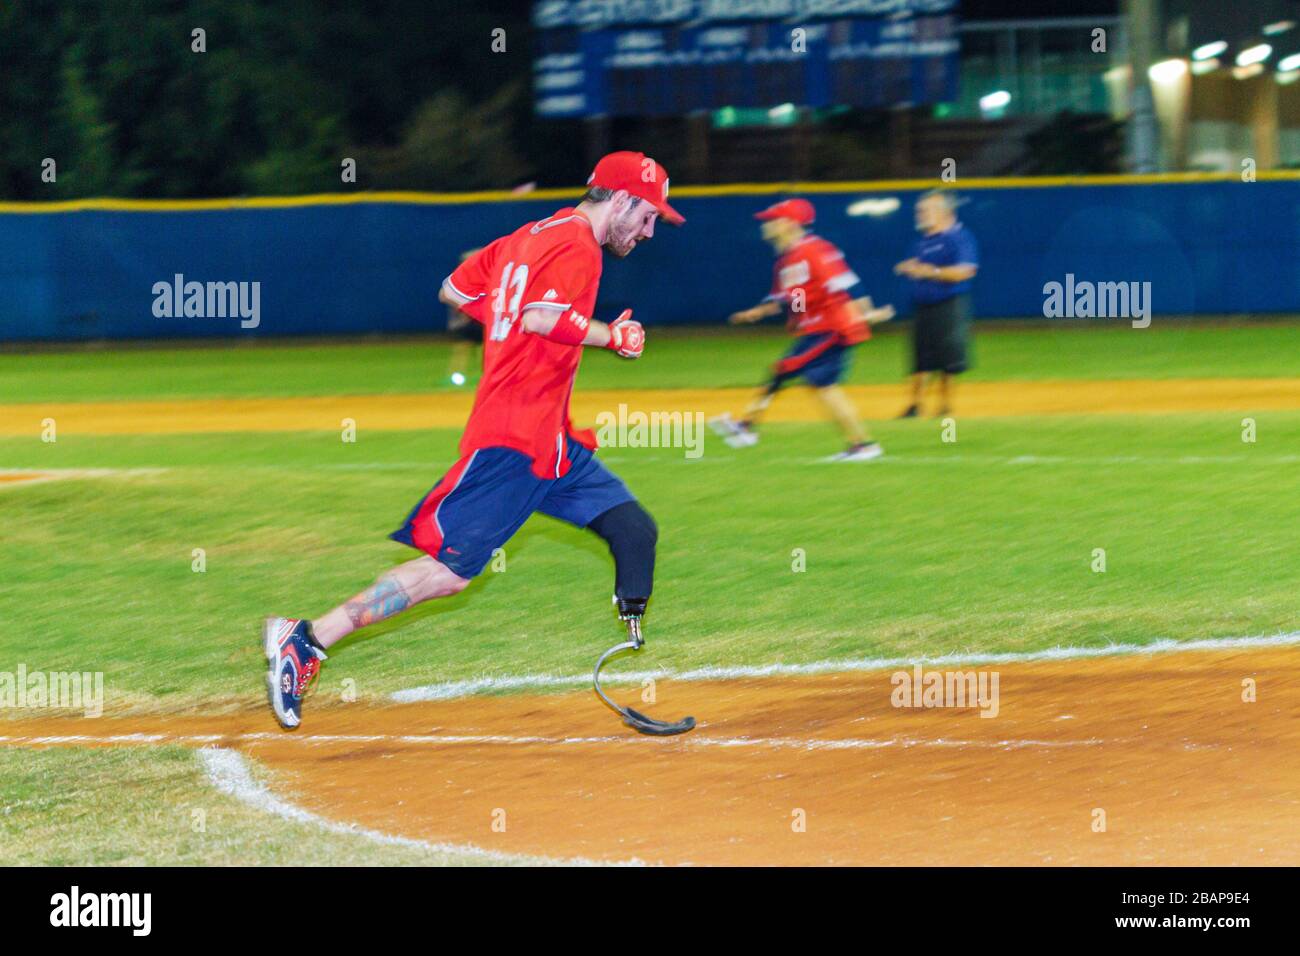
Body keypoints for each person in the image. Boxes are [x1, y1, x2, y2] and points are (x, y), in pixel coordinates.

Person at [263, 150, 684, 729]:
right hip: (515, 439)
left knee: (634, 529)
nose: (649, 229)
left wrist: (506, 322)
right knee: (448, 573)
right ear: (621, 199)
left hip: (553, 442)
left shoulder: (528, 235)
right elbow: (540, 318)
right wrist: (616, 335)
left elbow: (453, 292)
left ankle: (632, 622)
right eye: (647, 215)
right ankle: (307, 639)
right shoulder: (578, 246)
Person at [709, 198, 895, 462]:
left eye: (772, 220)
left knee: (784, 370)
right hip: (817, 328)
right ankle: (862, 445)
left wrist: (867, 311)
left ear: (789, 224)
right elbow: (786, 299)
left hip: (834, 326)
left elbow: (847, 283)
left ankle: (747, 427)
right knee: (823, 386)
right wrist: (758, 312)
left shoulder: (815, 250)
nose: (766, 225)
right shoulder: (786, 261)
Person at [893, 191, 979, 418]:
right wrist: (910, 267)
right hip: (923, 305)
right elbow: (920, 268)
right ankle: (915, 405)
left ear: (944, 212)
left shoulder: (959, 237)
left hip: (949, 304)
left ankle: (945, 406)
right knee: (920, 357)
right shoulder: (922, 242)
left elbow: (966, 271)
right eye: (920, 210)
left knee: (948, 357)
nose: (920, 214)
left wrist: (930, 271)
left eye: (926, 210)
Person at [444, 248, 482, 386]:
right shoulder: (462, 278)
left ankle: (483, 375)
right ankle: (454, 375)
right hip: (469, 322)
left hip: (480, 321)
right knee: (462, 348)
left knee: (483, 350)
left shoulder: (482, 278)